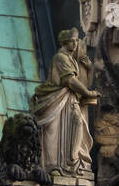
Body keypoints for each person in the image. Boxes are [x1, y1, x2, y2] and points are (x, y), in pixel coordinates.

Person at [32, 29, 99, 177]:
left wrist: (90, 70)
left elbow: (82, 84)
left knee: (76, 124)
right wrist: (88, 93)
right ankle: (55, 165)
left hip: (69, 99)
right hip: (57, 99)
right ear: (64, 42)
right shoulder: (60, 58)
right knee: (55, 131)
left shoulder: (71, 59)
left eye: (76, 40)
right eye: (72, 41)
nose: (75, 43)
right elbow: (70, 81)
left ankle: (71, 161)